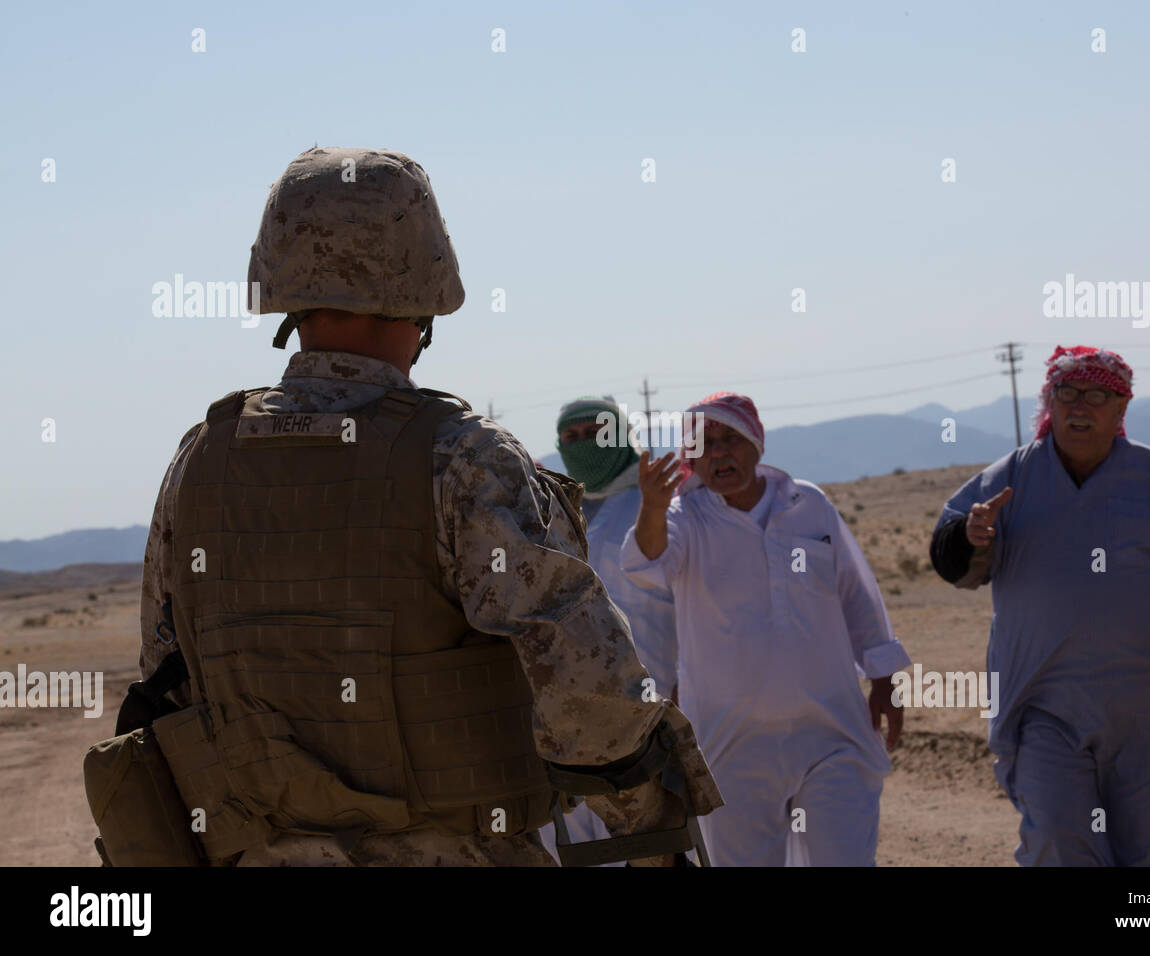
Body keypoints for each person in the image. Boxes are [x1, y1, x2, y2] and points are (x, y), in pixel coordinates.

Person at [135, 146, 721, 867]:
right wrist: (651, 829)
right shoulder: (460, 457)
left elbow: (164, 680)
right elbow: (587, 686)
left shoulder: (200, 461)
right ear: (429, 282)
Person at [929, 345, 1150, 866]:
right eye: (1068, 393)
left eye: (1098, 395)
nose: (1080, 406)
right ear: (1049, 403)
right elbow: (951, 561)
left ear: (1121, 409)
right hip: (1044, 699)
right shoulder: (1004, 482)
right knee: (1058, 833)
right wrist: (970, 537)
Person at [620, 391, 910, 866]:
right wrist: (652, 506)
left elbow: (857, 593)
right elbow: (648, 561)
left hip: (832, 732)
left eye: (729, 439)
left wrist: (883, 677)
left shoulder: (809, 506)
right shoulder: (684, 518)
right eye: (703, 444)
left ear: (757, 443)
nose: (717, 453)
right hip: (731, 744)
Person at [538, 396, 679, 860]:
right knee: (573, 841)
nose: (583, 445)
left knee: (655, 839)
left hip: (657, 702)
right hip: (570, 708)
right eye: (570, 437)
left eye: (596, 434)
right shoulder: (553, 508)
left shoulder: (656, 500)